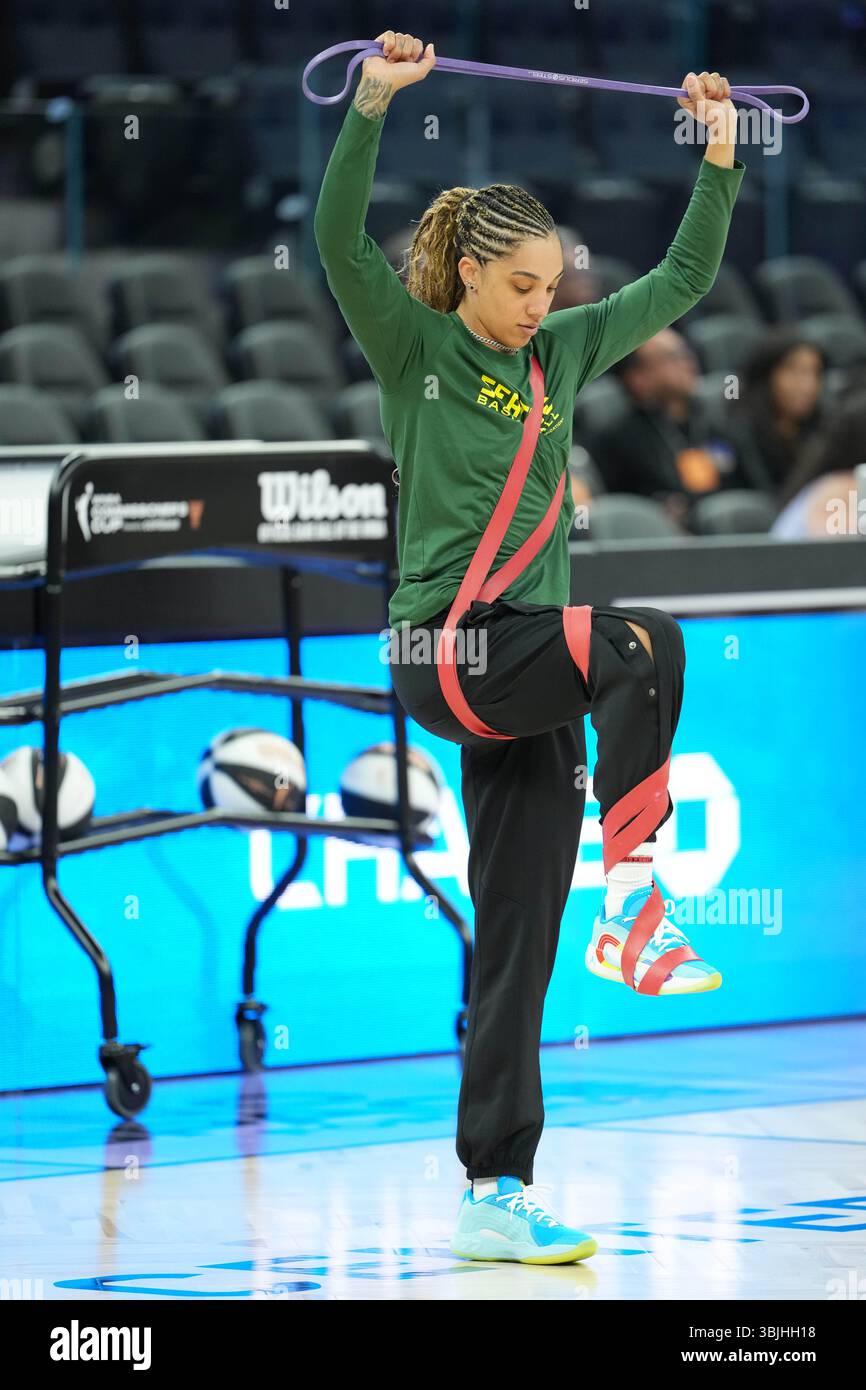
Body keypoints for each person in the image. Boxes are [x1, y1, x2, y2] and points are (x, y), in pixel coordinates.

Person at [314, 29, 745, 1265]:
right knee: (645, 643)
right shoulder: (415, 349)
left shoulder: (560, 352)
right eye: (518, 287)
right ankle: (638, 899)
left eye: (551, 286)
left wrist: (715, 152)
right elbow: (341, 237)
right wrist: (373, 105)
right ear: (463, 281)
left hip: (524, 667)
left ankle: (492, 1186)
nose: (538, 304)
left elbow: (679, 282)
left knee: (514, 932)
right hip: (443, 649)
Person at [585, 327, 764, 527]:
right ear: (637, 378)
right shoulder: (617, 440)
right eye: (672, 357)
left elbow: (756, 488)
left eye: (687, 353)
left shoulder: (718, 424)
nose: (687, 363)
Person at [735, 329, 826, 498]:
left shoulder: (822, 424)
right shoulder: (741, 430)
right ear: (767, 374)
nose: (809, 386)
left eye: (815, 373)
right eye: (795, 371)